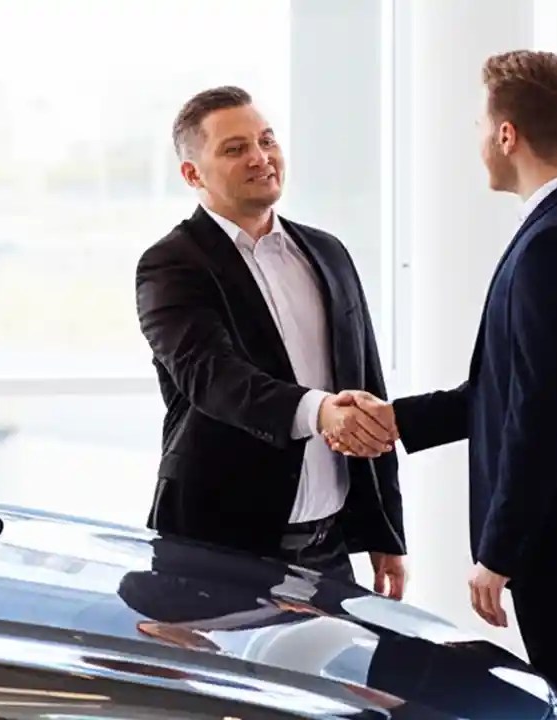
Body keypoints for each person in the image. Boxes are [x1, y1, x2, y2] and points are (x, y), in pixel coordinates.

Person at [327, 50, 557, 718]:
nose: (478, 138)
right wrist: (395, 420)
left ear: (507, 135)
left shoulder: (556, 244)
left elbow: (544, 416)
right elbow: (504, 391)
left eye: (482, 122)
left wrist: (498, 554)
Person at [134, 86, 406, 595]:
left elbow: (368, 382)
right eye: (235, 149)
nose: (261, 158)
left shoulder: (327, 252)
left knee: (343, 676)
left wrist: (386, 529)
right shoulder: (171, 264)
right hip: (216, 548)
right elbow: (213, 378)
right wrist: (321, 412)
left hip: (330, 549)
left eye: (266, 140)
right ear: (193, 174)